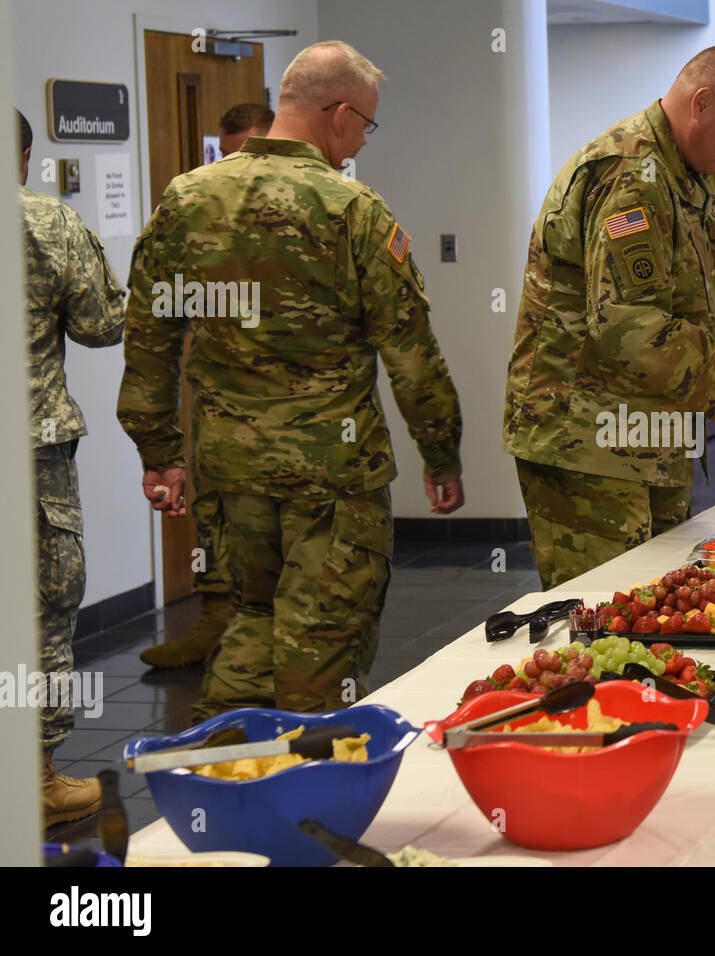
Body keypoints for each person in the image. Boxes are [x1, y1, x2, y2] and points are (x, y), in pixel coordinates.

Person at [118, 41, 465, 723]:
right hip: (332, 477)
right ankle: (308, 799)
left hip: (228, 469)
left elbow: (151, 336)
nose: (361, 139)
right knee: (321, 639)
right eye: (366, 123)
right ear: (338, 114)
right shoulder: (352, 210)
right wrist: (441, 453)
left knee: (250, 620)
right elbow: (411, 353)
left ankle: (225, 783)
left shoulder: (187, 198)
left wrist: (158, 451)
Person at [504, 44, 715, 590]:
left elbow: (709, 299)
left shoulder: (695, 175)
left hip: (653, 435)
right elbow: (627, 330)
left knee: (659, 613)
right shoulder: (630, 175)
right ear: (702, 102)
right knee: (604, 621)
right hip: (587, 442)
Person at [15, 109, 126, 824]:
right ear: (22, 155)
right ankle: (36, 780)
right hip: (32, 454)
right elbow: (101, 325)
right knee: (42, 613)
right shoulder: (48, 223)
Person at [139, 102, 277, 670]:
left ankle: (274, 660)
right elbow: (153, 320)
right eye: (226, 153)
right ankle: (217, 623)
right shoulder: (194, 206)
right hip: (223, 405)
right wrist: (158, 444)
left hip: (305, 411)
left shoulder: (316, 205)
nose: (233, 166)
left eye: (246, 150)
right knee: (218, 518)